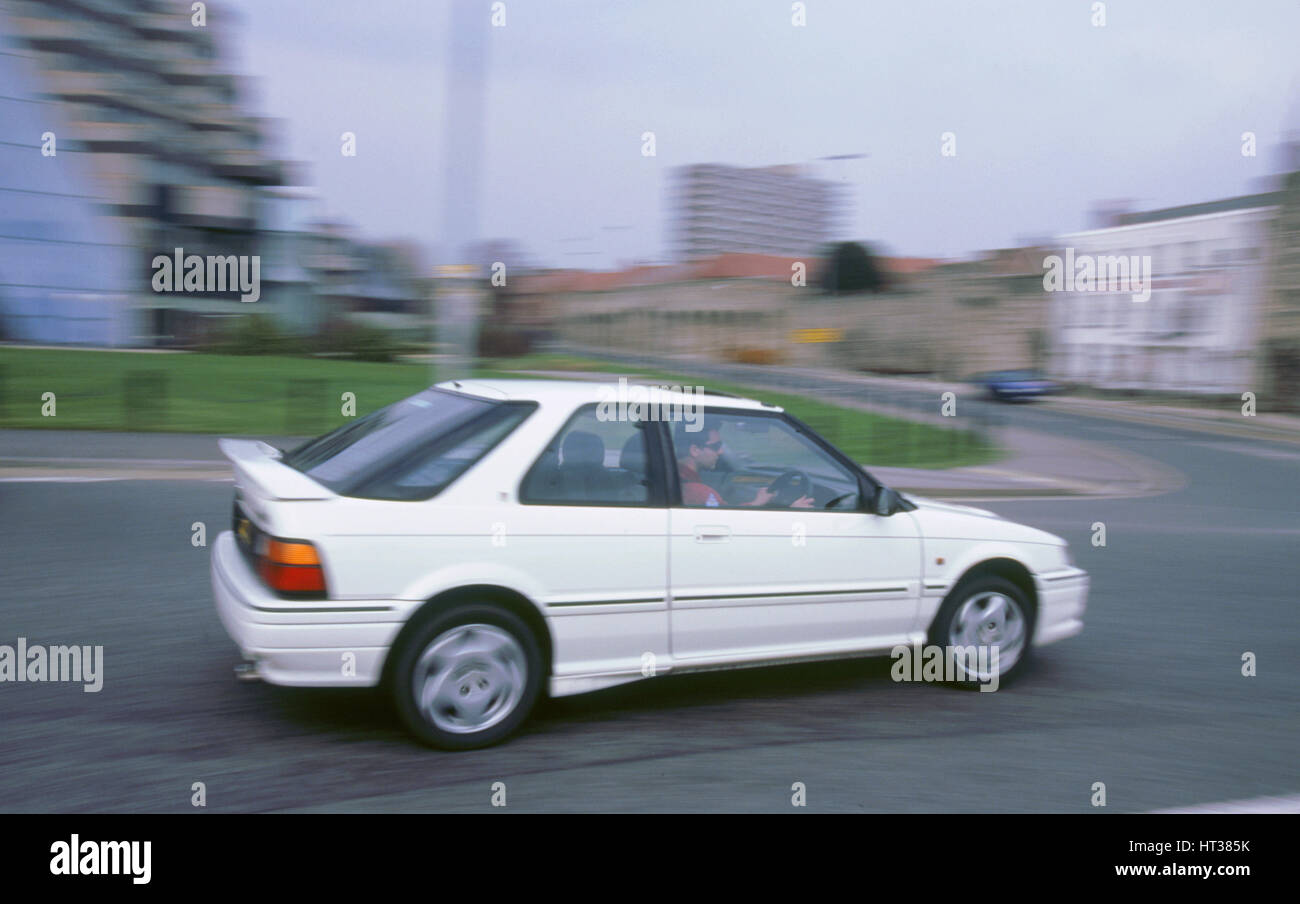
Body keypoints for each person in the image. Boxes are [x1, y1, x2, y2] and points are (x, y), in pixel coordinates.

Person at [674, 423, 813, 508]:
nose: (721, 451)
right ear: (694, 450)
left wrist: (756, 503)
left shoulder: (676, 478)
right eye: (716, 446)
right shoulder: (698, 492)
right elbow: (732, 521)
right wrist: (793, 510)